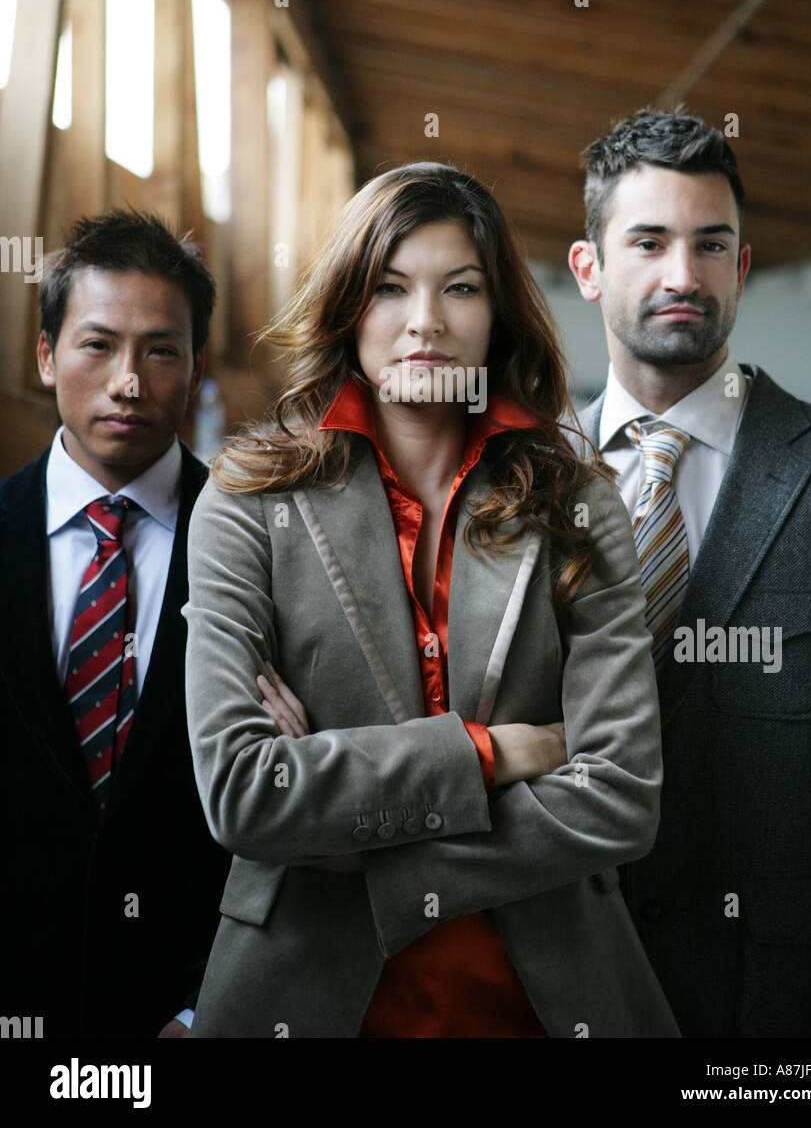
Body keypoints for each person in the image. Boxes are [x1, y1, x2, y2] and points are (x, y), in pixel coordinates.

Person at [183, 162, 680, 1038]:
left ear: (497, 313)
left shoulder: (577, 500)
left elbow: (621, 794)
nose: (426, 324)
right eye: (389, 288)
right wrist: (491, 755)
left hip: (545, 998)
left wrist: (356, 840)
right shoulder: (247, 501)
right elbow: (245, 794)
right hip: (308, 996)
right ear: (348, 305)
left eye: (460, 288)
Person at [568, 108, 811, 1038]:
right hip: (567, 987)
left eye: (710, 246)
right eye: (648, 242)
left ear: (741, 269)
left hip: (775, 1009)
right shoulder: (517, 483)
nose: (680, 276)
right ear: (590, 269)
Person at [0, 210, 231, 1037]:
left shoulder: (266, 545)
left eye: (160, 350)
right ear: (45, 353)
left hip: (188, 1010)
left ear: (196, 368)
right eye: (97, 345)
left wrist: (213, 1006)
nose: (128, 382)